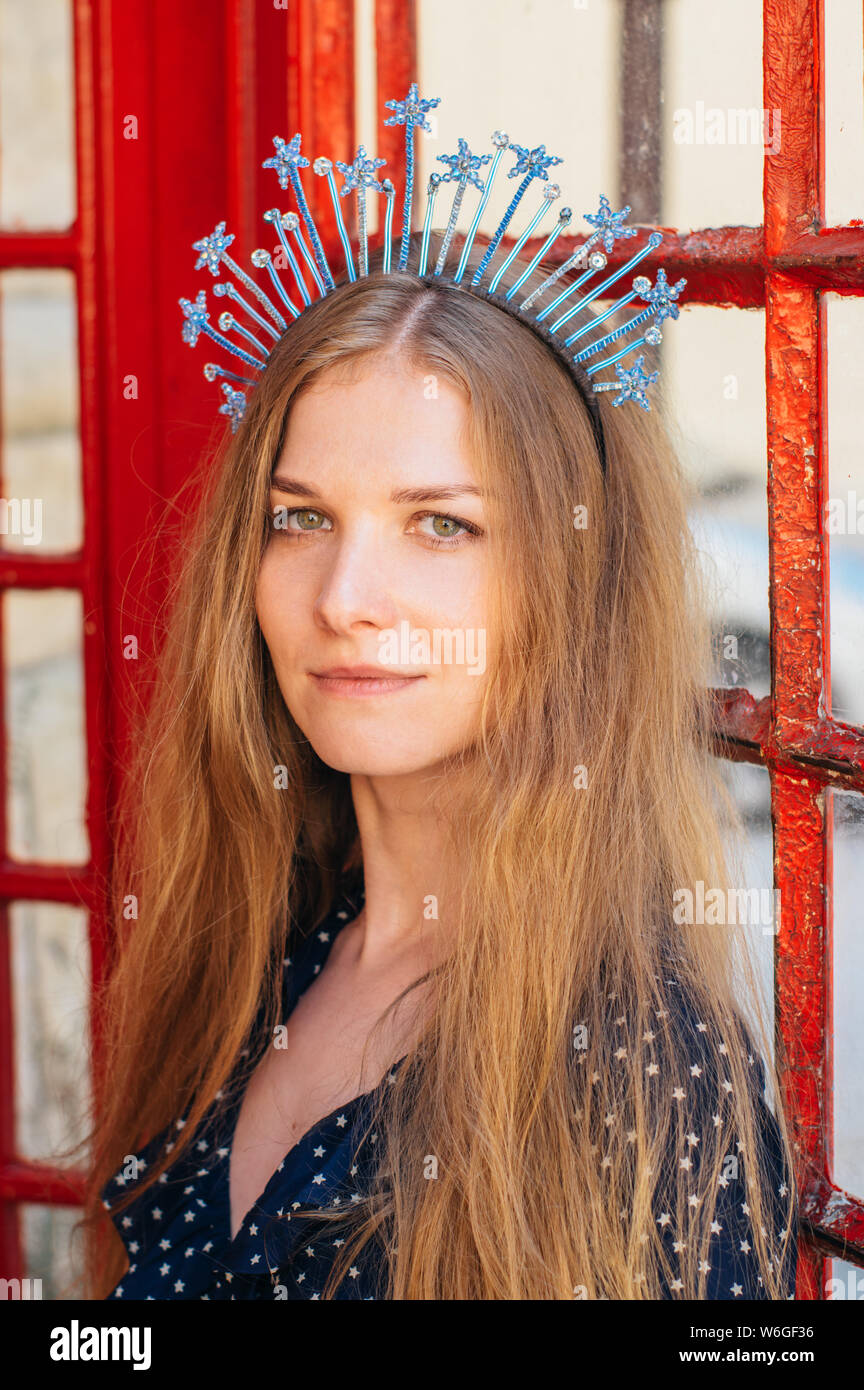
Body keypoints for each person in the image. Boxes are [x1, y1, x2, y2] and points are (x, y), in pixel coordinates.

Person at [77, 181, 798, 1300]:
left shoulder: (644, 1062)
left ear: (571, 586)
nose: (348, 597)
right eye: (301, 517)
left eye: (442, 524)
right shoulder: (251, 957)